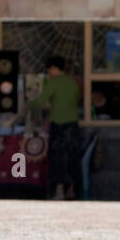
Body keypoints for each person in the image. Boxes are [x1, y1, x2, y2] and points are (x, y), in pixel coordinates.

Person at [27, 55, 82, 201]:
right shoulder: (72, 82)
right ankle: (71, 190)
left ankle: (59, 192)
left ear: (53, 68)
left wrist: (27, 103)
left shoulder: (54, 82)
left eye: (49, 70)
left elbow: (40, 101)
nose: (49, 73)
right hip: (74, 125)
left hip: (59, 124)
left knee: (58, 158)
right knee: (72, 158)